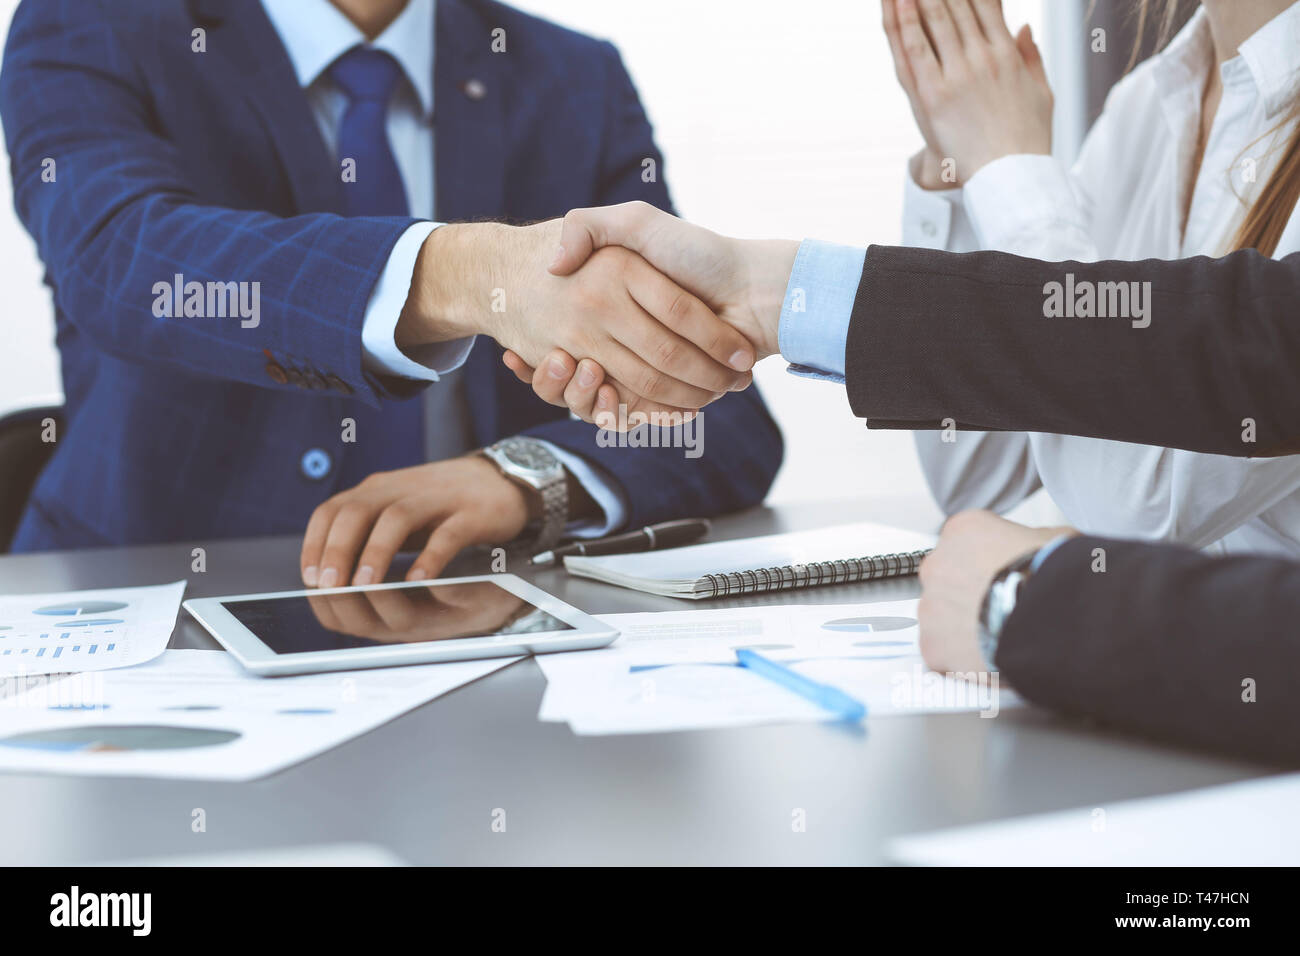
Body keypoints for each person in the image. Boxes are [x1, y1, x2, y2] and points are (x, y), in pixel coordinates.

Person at [0, 0, 781, 586]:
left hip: (473, 624)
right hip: (150, 611)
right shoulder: (87, 26)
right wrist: (479, 273)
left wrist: (526, 476)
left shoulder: (572, 77)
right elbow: (120, 258)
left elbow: (719, 410)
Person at [887, 0, 1300, 558]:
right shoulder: (1145, 105)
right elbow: (984, 473)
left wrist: (1004, 166)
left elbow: (1132, 512)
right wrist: (956, 160)